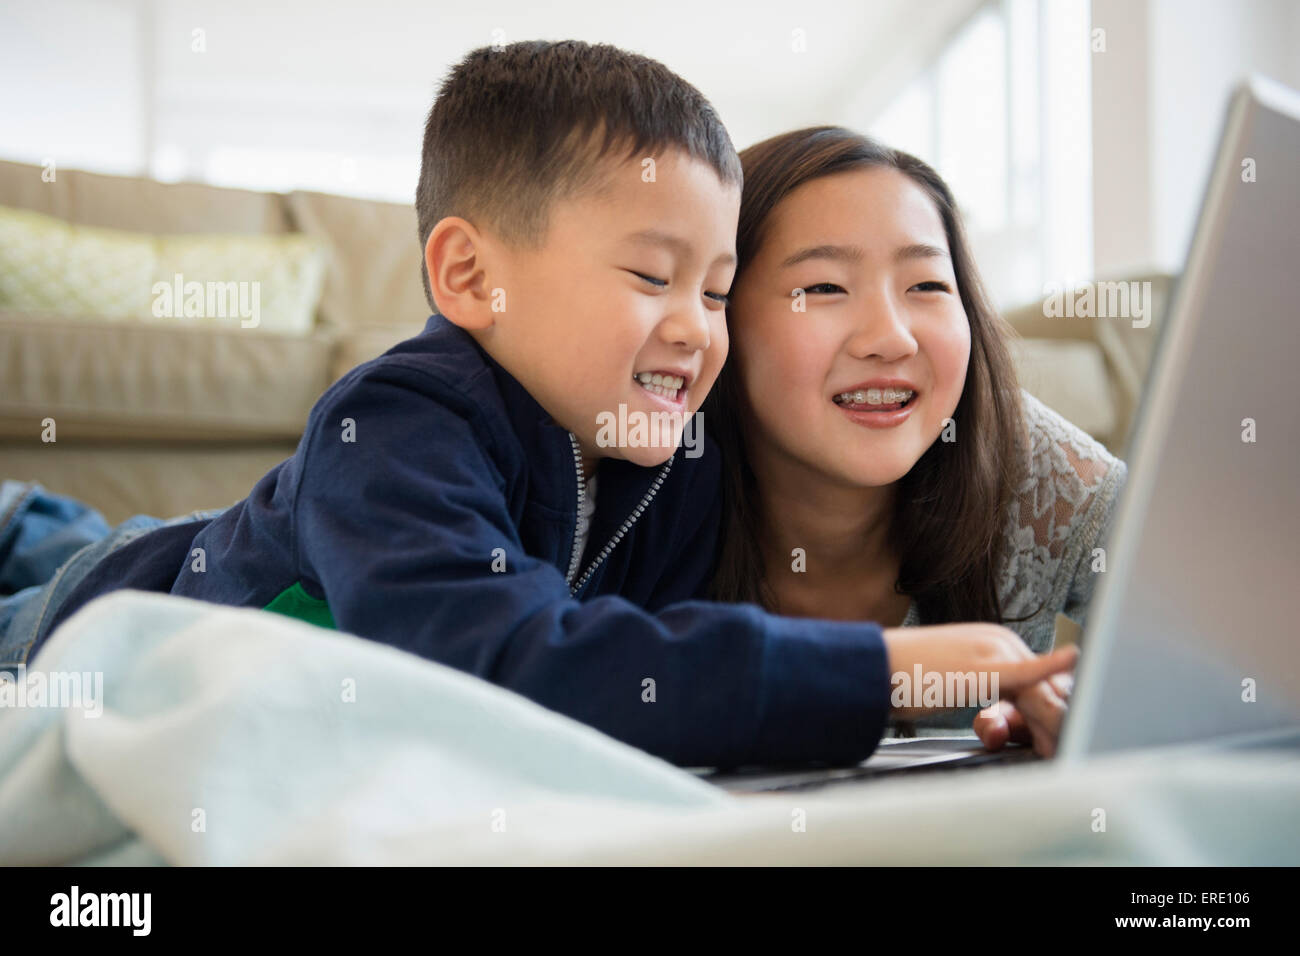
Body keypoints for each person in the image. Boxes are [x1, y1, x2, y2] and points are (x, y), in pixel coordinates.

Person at [1, 46, 1075, 767]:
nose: (701, 328)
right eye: (652, 277)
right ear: (470, 277)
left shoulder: (672, 454)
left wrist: (962, 712)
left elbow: (653, 673)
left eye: (714, 288)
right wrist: (882, 674)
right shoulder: (395, 425)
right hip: (102, 617)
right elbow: (509, 660)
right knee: (72, 564)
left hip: (262, 574)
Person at [703, 127, 1126, 754]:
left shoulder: (1055, 480)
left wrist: (1090, 721)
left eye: (926, 285)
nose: (891, 337)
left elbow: (1227, 687)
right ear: (719, 310)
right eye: (824, 288)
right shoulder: (640, 473)